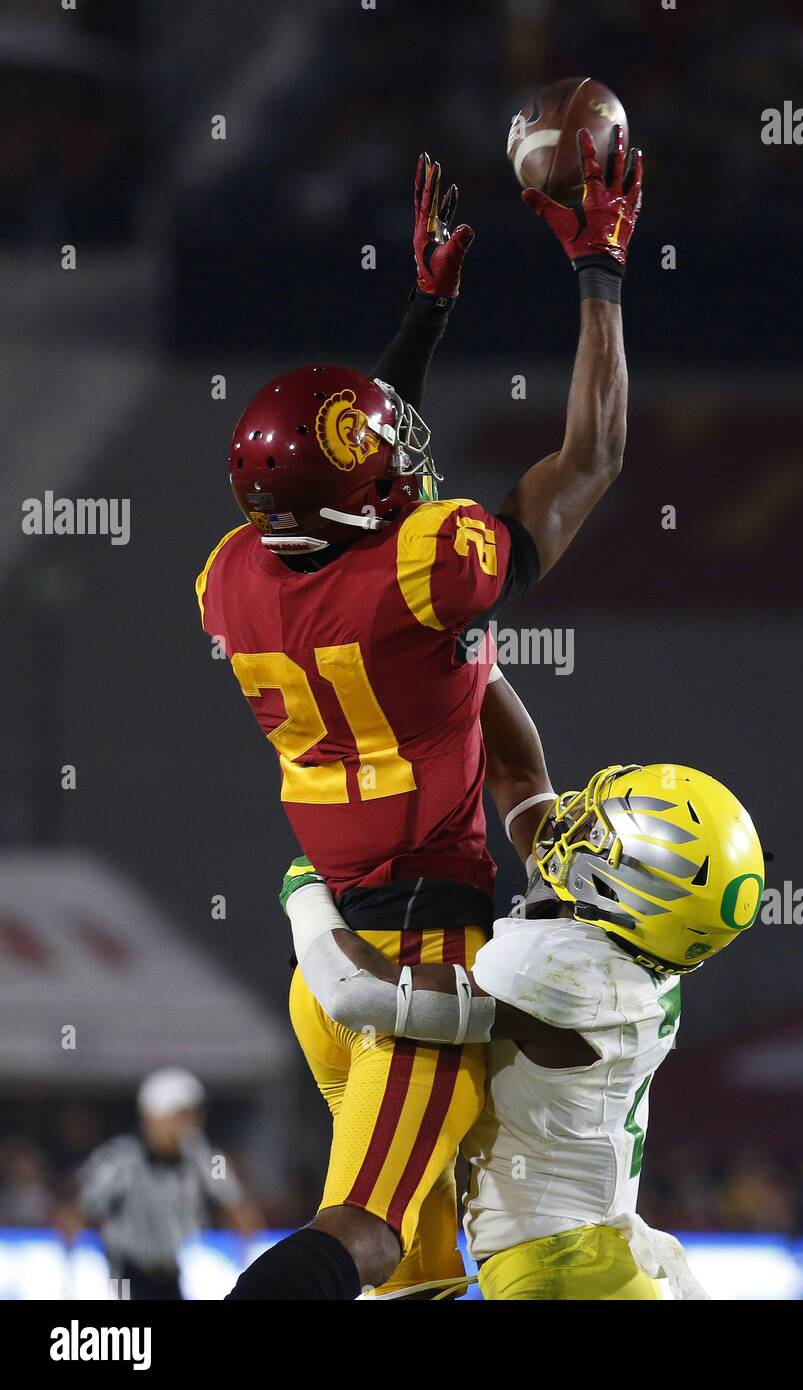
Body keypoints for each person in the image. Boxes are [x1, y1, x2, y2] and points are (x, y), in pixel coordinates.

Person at [202, 131, 643, 1301]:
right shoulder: (428, 568)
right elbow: (590, 457)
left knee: (422, 1280)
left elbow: (343, 476)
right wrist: (598, 269)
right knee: (371, 1233)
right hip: (418, 951)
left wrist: (423, 316)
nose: (406, 462)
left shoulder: (231, 574)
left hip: (329, 944)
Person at [282, 761, 765, 1300]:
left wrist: (305, 894)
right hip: (587, 1262)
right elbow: (522, 779)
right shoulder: (633, 948)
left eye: (597, 831)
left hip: (563, 1273)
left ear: (625, 880)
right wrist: (478, 680)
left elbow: (359, 993)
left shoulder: (567, 978)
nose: (571, 823)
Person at [77, 1068, 256, 1300]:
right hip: (125, 1273)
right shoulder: (120, 1160)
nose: (188, 1126)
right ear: (153, 1117)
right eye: (180, 1117)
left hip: (173, 1272)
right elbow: (77, 1211)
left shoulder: (203, 1157)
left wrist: (250, 1263)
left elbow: (238, 1208)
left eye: (192, 1116)